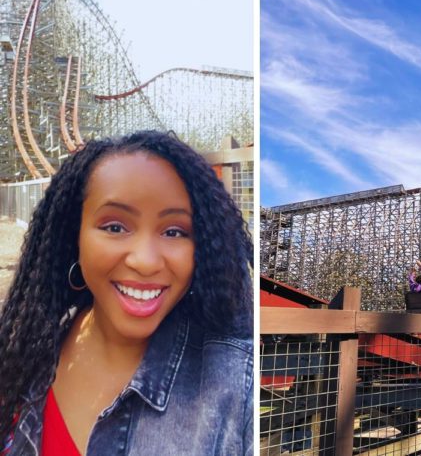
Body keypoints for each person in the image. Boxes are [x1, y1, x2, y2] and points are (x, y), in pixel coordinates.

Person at [0, 131, 253, 455]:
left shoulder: (235, 384)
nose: (145, 261)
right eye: (115, 227)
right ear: (74, 235)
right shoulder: (23, 351)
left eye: (174, 231)